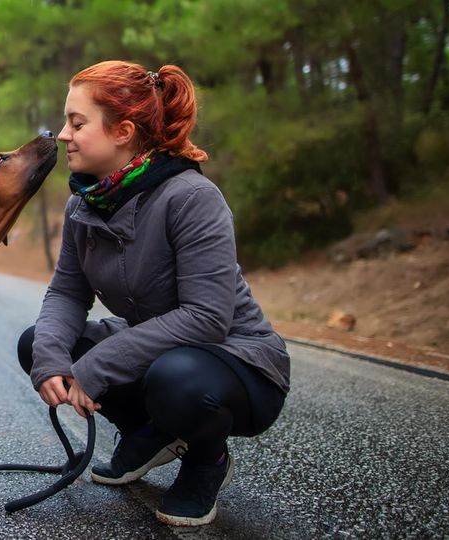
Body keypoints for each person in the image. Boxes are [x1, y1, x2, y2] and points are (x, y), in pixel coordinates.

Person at [16, 60, 290, 527]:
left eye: (76, 123)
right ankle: (147, 432)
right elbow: (66, 291)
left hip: (237, 362)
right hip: (161, 351)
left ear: (122, 131)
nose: (63, 135)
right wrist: (51, 359)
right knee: (38, 341)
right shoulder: (84, 201)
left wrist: (98, 364)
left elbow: (207, 318)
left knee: (174, 378)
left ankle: (208, 462)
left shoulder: (190, 197)